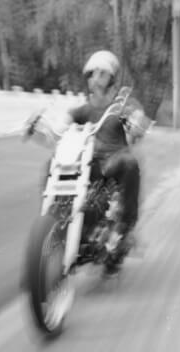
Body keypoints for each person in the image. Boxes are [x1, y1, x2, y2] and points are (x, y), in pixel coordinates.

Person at [26, 50, 149, 272]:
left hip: (114, 161)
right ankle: (53, 223)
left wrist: (135, 122)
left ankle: (124, 226)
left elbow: (138, 125)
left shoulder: (122, 105)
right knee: (52, 166)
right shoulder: (82, 109)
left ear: (112, 77)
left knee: (130, 163)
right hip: (88, 163)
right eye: (92, 73)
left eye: (102, 72)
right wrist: (38, 129)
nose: (96, 77)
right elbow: (57, 132)